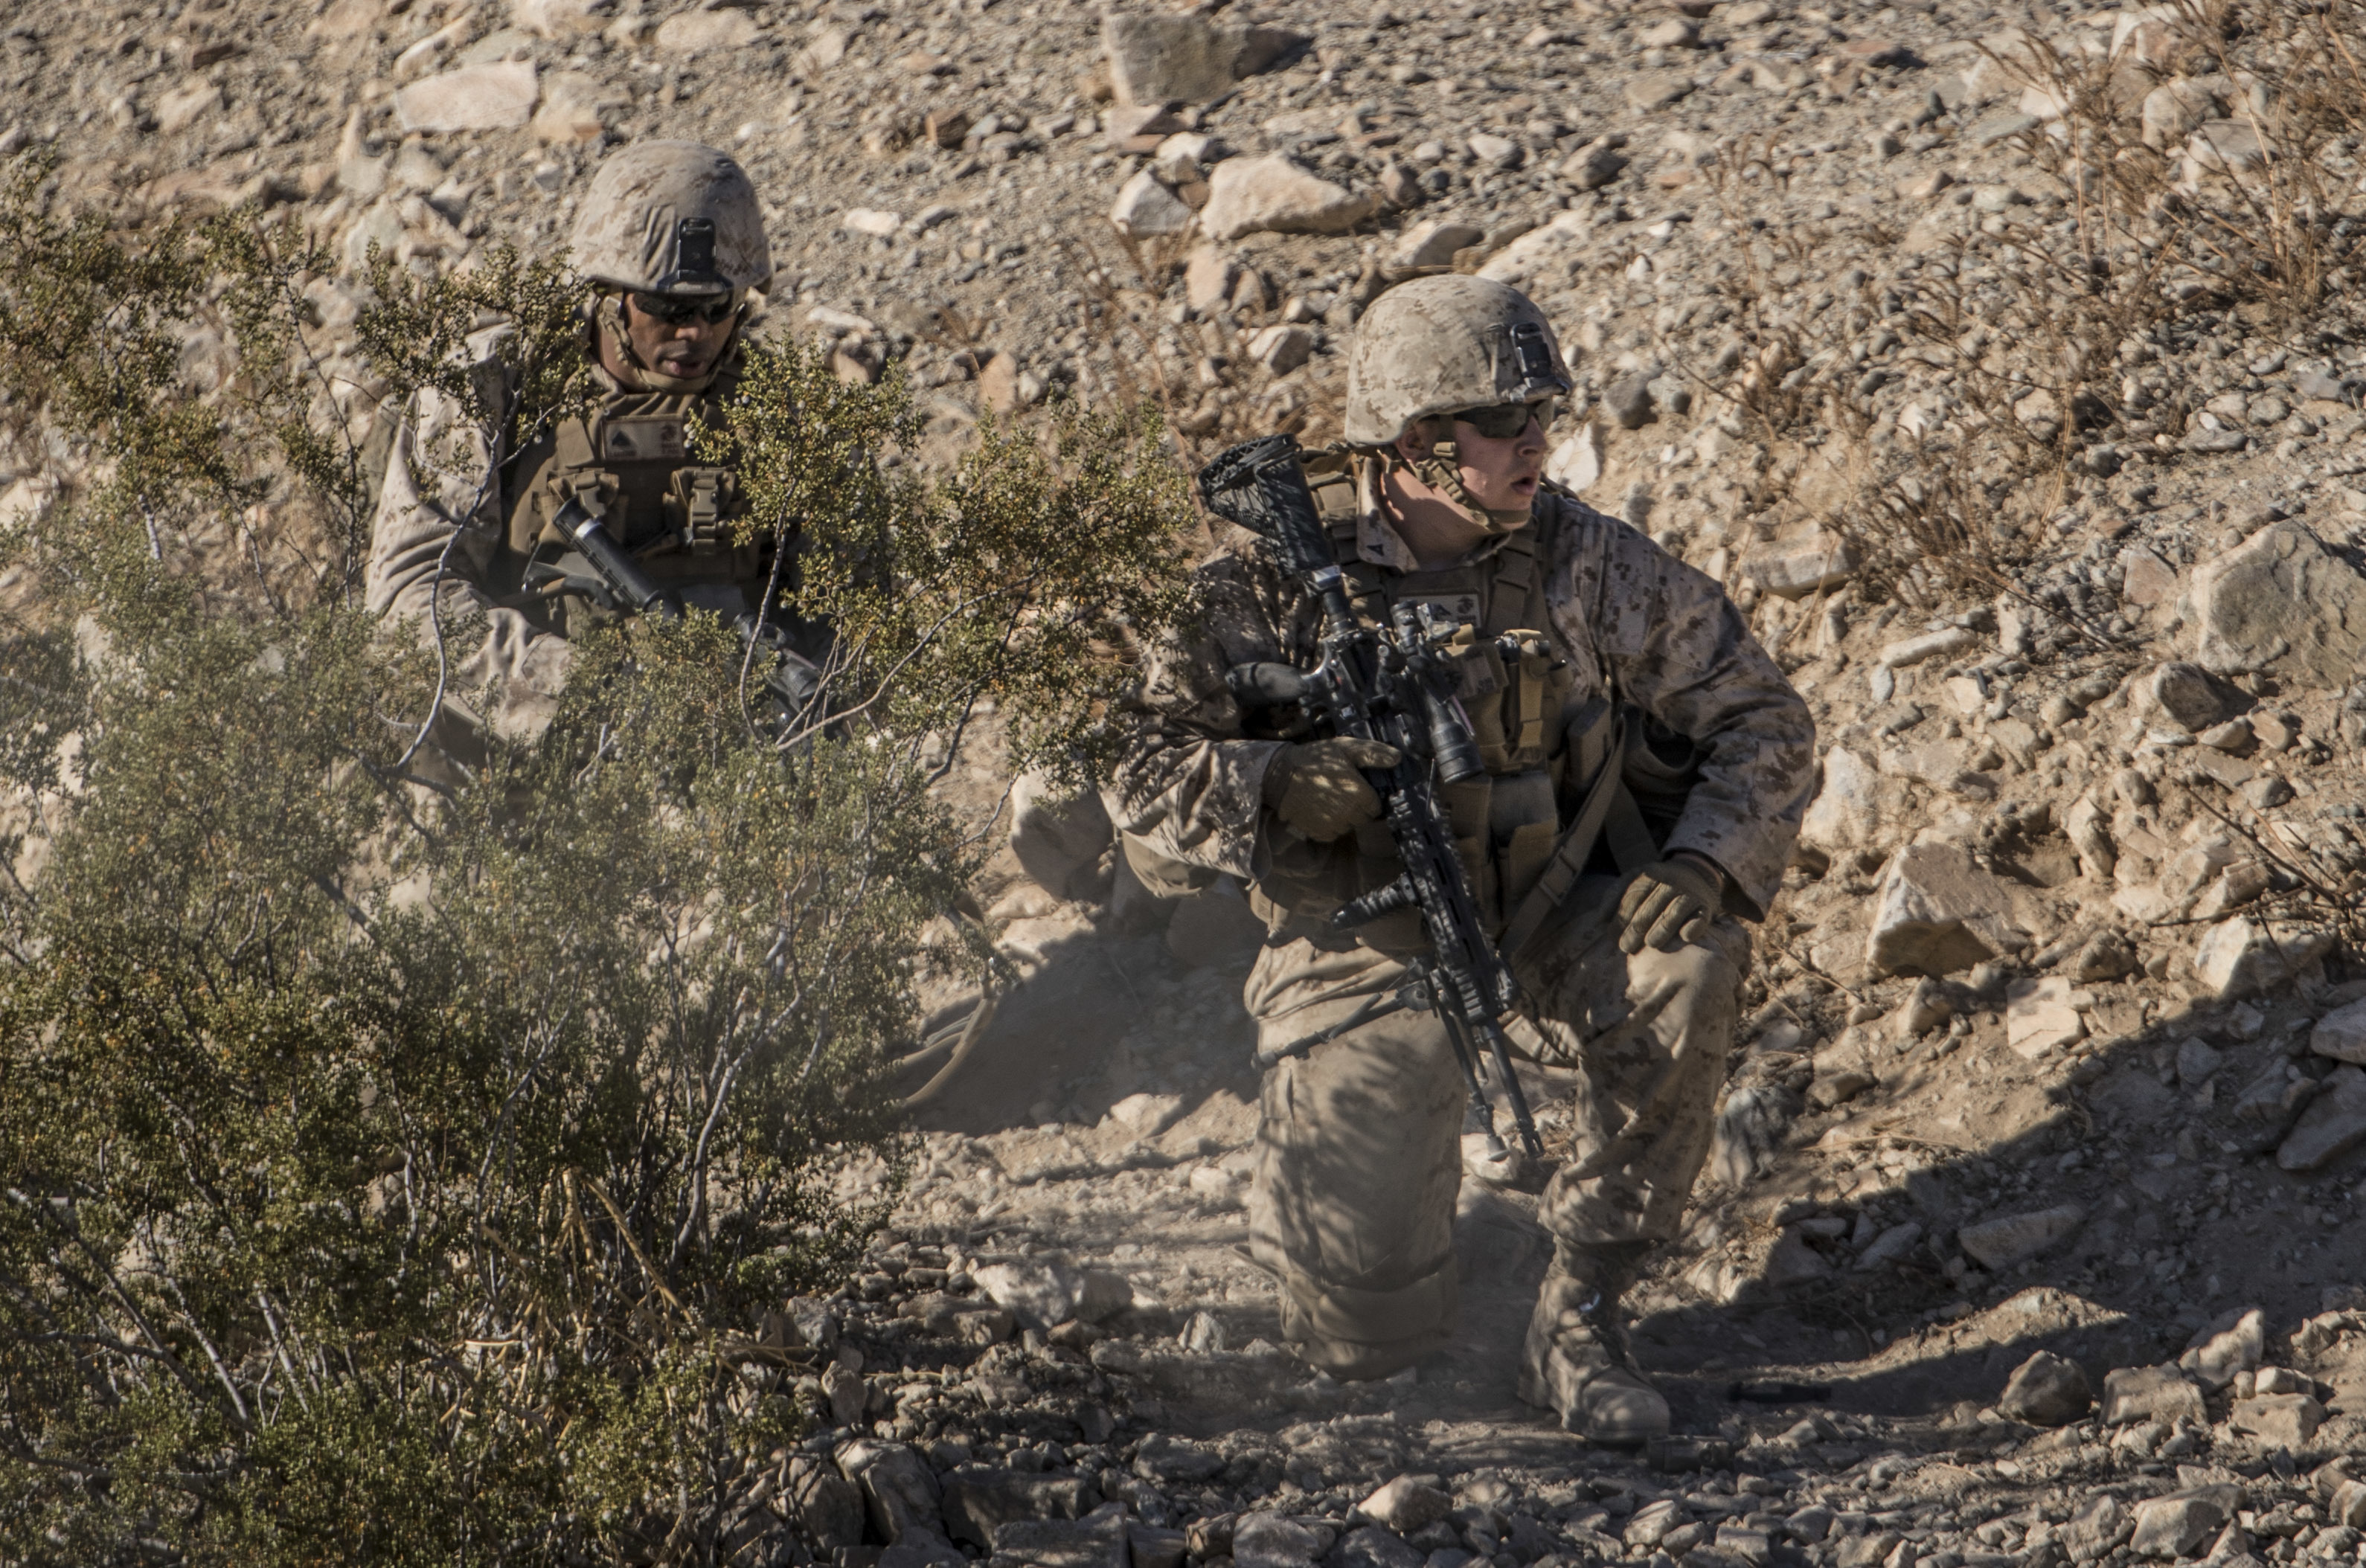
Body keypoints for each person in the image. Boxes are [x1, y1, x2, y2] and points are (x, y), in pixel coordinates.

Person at [1110, 274, 1816, 1442]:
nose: (1537, 441)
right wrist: (1273, 781)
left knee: (1690, 964)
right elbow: (1131, 757)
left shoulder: (1583, 558)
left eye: (1543, 414)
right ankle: (1411, 1238)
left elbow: (1763, 715)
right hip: (1367, 943)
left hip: (1550, 912)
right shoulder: (1268, 576)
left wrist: (1703, 862)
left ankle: (1581, 1307)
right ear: (1415, 442)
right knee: (1361, 1340)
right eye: (1502, 421)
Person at [365, 139, 786, 756]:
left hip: (730, 749)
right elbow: (407, 600)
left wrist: (786, 702)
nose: (694, 330)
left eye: (716, 305)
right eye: (668, 305)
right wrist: (588, 694)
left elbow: (853, 609)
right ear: (608, 294)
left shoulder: (776, 405)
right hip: (517, 746)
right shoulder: (490, 385)